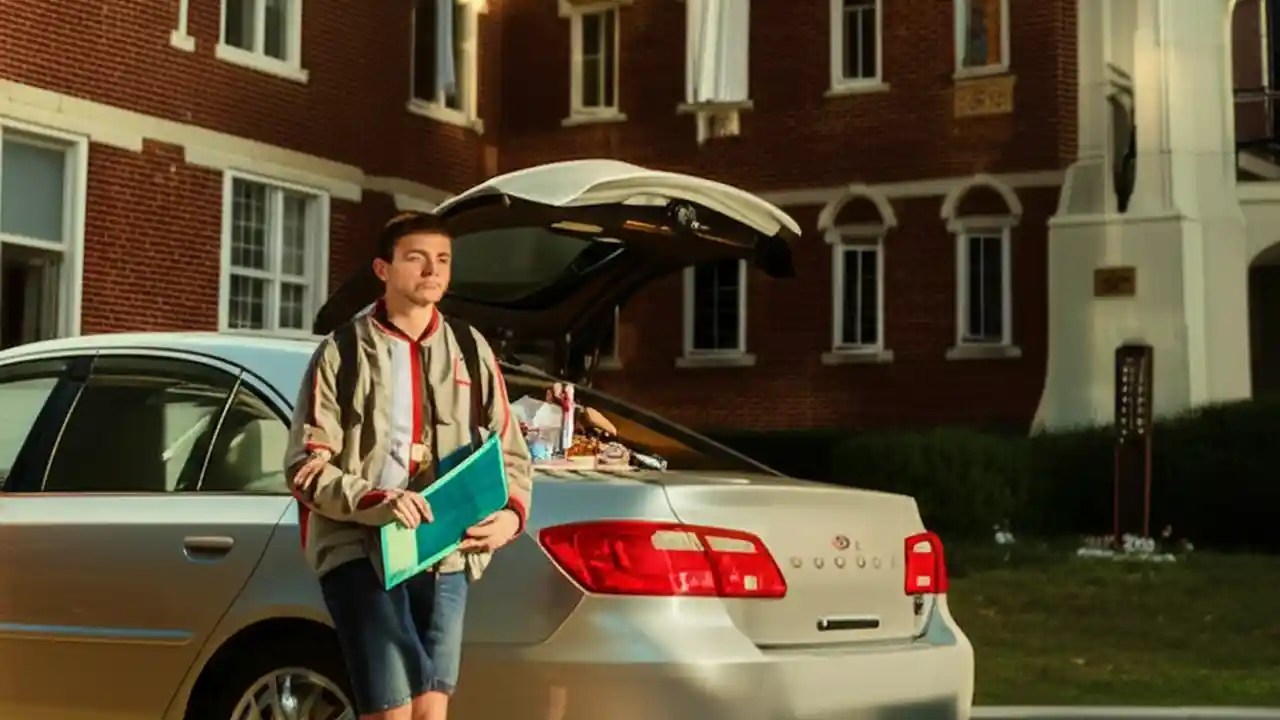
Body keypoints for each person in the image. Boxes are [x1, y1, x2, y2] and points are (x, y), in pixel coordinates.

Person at [284, 211, 533, 720]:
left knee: (429, 710)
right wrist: (379, 501)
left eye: (442, 260)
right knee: (391, 711)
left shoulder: (471, 348)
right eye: (416, 259)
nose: (431, 271)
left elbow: (510, 451)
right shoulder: (343, 351)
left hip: (446, 550)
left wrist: (510, 517)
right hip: (360, 547)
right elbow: (306, 468)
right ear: (383, 268)